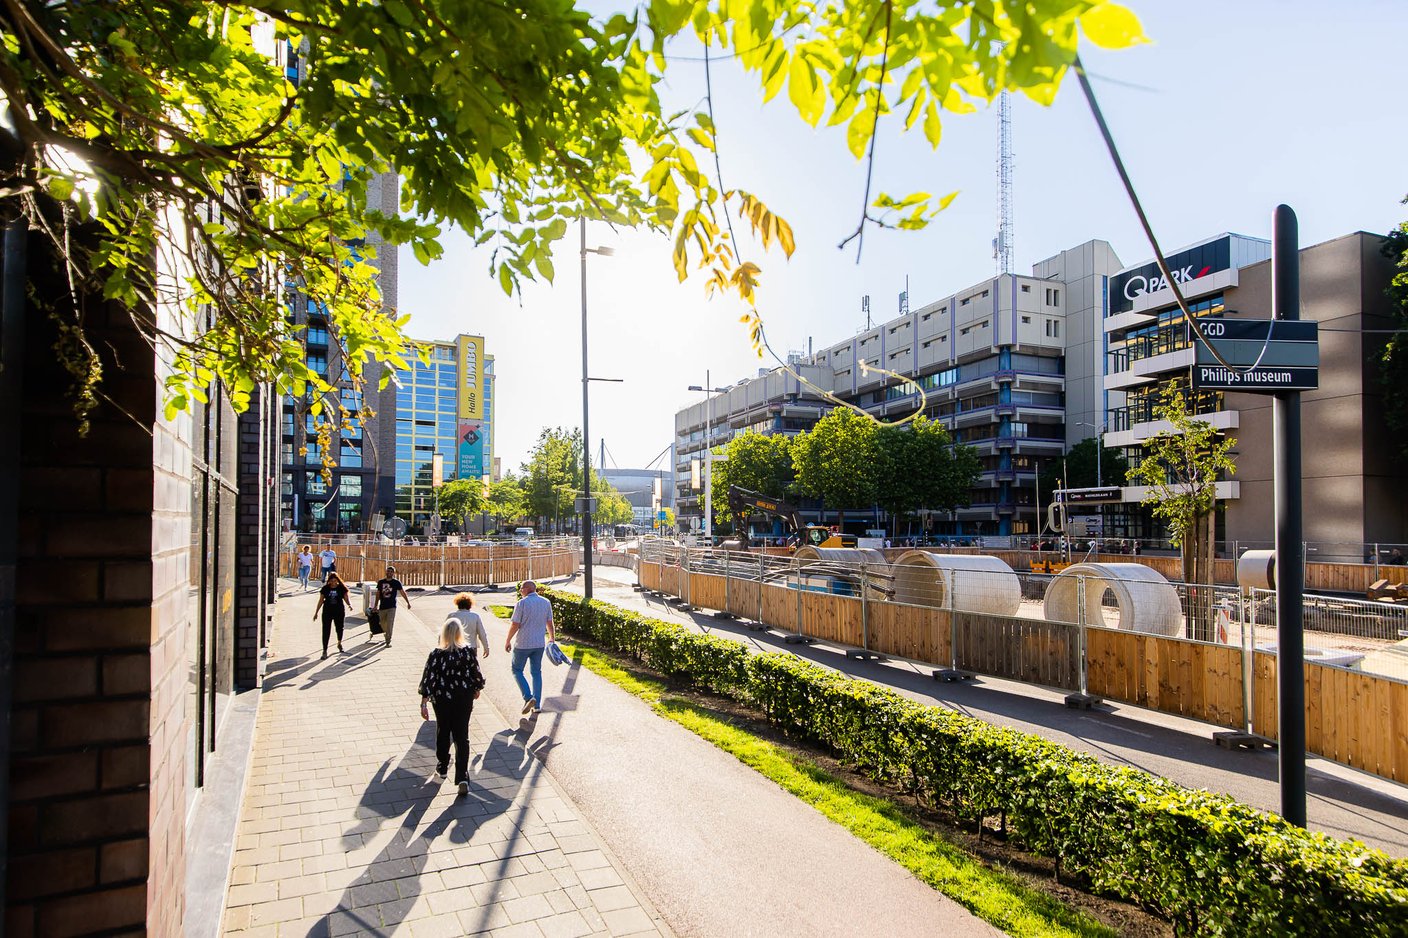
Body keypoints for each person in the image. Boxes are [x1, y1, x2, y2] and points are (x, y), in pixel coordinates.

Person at [418, 618, 486, 795]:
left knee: (443, 730)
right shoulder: (467, 652)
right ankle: (462, 775)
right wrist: (477, 688)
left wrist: (424, 702)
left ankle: (442, 766)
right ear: (459, 633)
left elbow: (429, 679)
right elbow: (477, 674)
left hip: (441, 699)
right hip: (463, 697)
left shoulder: (436, 654)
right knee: (462, 735)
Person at [505, 579, 554, 715]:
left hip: (523, 644)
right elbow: (549, 622)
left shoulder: (521, 603)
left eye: (521, 589)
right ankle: (537, 705)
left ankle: (528, 697)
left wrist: (508, 640)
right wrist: (551, 638)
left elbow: (515, 624)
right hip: (539, 644)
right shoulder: (546, 602)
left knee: (516, 670)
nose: (521, 591)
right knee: (536, 673)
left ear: (527, 589)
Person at [313, 572, 350, 660]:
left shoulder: (341, 588)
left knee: (339, 628)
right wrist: (316, 612)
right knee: (326, 630)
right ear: (329, 581)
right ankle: (325, 650)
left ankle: (339, 643)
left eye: (335, 581)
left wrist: (349, 605)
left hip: (339, 611)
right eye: (331, 581)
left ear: (337, 580)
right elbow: (321, 601)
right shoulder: (325, 589)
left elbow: (346, 598)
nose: (333, 583)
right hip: (327, 612)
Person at [374, 564, 412, 647]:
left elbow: (402, 592)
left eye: (391, 572)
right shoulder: (381, 582)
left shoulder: (396, 583)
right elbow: (378, 594)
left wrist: (408, 602)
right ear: (386, 572)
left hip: (392, 606)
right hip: (382, 606)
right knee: (382, 623)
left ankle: (388, 640)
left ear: (394, 573)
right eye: (388, 571)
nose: (389, 573)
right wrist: (375, 605)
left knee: (390, 623)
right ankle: (386, 633)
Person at [447, 593, 490, 659]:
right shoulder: (475, 616)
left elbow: (444, 632)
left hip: (454, 647)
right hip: (471, 648)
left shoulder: (451, 616)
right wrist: (486, 647)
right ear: (470, 605)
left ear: (457, 604)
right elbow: (482, 634)